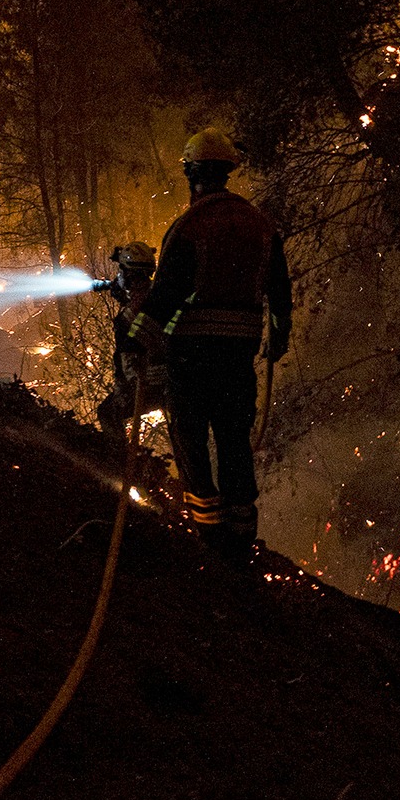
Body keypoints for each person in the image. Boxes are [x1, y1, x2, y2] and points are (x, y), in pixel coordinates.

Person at [130, 128, 291, 558]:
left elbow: (164, 294)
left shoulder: (190, 227)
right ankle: (242, 535)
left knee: (190, 438)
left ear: (192, 173)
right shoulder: (262, 226)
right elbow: (280, 291)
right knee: (235, 440)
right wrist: (279, 336)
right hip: (239, 359)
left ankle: (210, 535)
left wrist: (135, 340)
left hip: (192, 357)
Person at [92, 241, 164, 437]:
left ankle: (120, 461)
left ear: (129, 273)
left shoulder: (132, 312)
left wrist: (124, 390)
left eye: (122, 271)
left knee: (108, 412)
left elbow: (127, 355)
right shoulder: (158, 298)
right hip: (168, 381)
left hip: (146, 384)